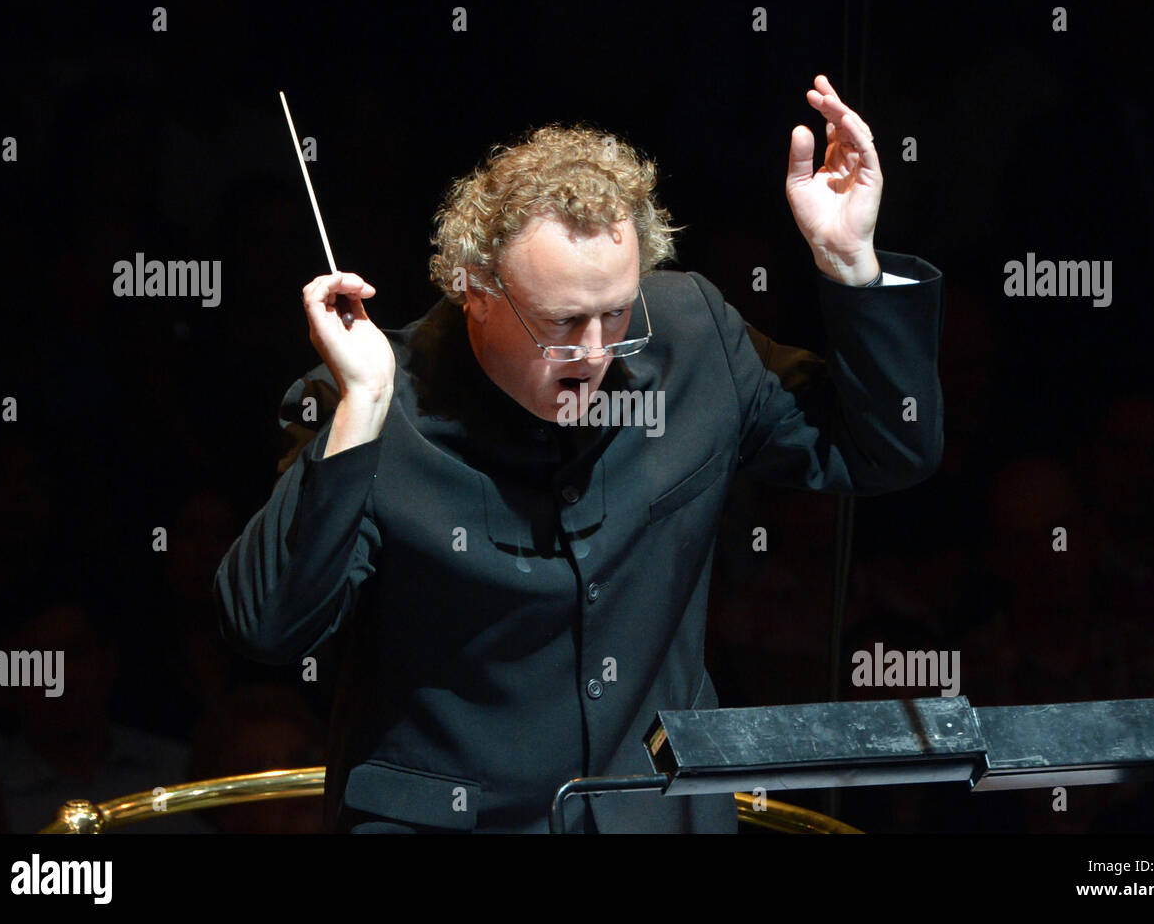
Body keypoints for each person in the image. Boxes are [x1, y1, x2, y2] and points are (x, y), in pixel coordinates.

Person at [215, 75, 945, 833]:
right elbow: (268, 628)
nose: (594, 354)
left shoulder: (694, 336)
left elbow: (888, 448)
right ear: (477, 291)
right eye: (563, 324)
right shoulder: (369, 402)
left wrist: (850, 262)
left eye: (618, 313)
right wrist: (362, 407)